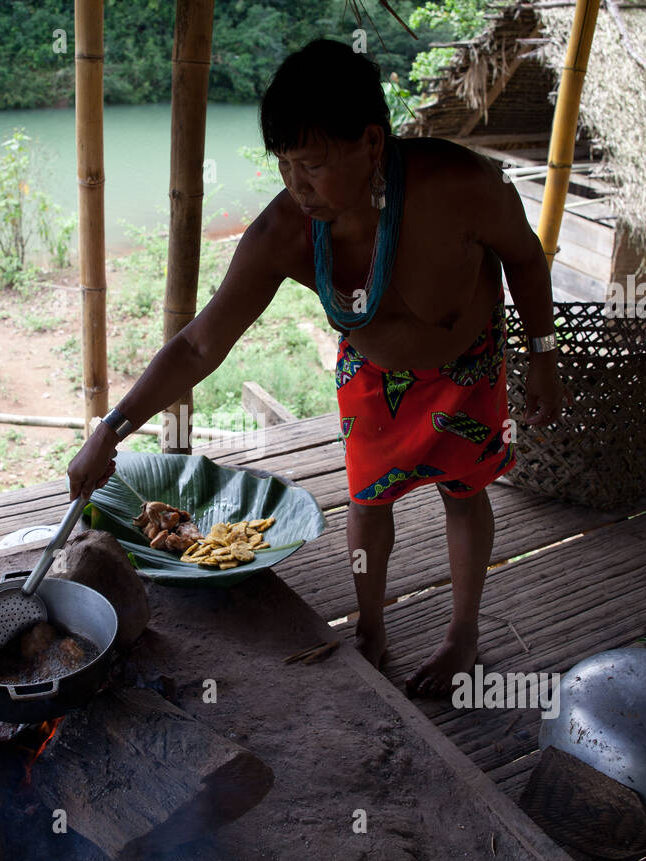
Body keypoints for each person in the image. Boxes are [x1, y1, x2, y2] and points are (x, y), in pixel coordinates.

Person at [67, 38, 569, 698]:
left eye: (312, 164)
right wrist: (113, 426)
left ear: (370, 141)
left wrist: (542, 356)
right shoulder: (285, 234)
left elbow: (527, 260)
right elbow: (197, 345)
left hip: (468, 367)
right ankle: (369, 628)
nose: (296, 185)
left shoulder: (461, 187)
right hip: (373, 375)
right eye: (283, 165)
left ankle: (463, 632)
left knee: (464, 494)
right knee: (367, 501)